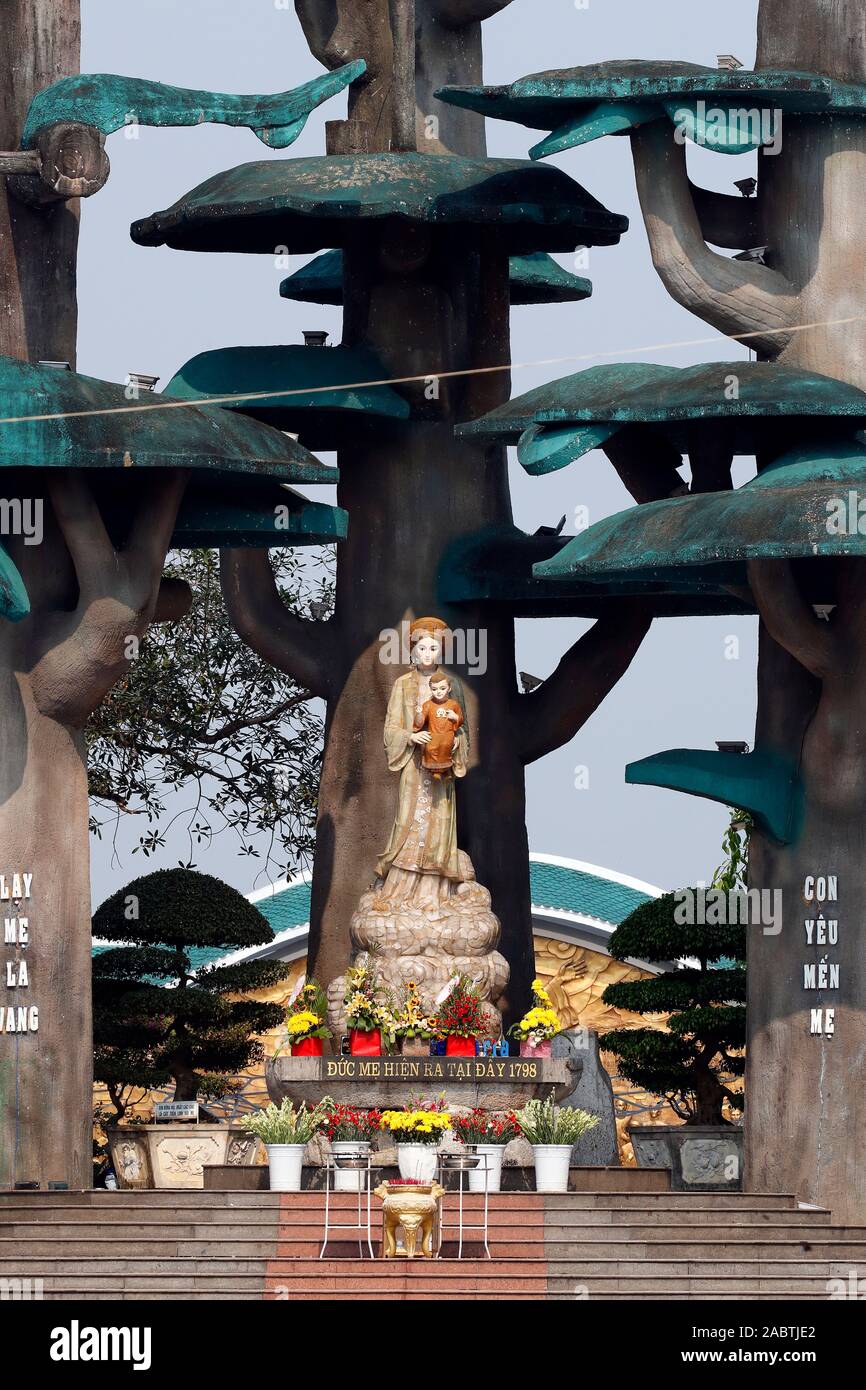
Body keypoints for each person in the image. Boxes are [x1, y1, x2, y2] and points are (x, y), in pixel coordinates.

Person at [375, 616, 468, 903]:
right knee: (407, 817)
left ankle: (437, 889)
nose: (427, 654)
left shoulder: (453, 686)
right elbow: (390, 727)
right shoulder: (403, 685)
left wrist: (455, 743)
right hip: (415, 766)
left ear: (441, 652)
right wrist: (410, 737)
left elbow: (462, 729)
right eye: (422, 649)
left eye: (433, 649)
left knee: (439, 818)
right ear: (413, 652)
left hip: (442, 768)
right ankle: (400, 886)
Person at [413, 669, 463, 777]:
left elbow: (461, 719)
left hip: (447, 734)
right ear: (430, 689)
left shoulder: (453, 704)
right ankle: (435, 772)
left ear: (449, 688)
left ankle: (445, 770)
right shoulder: (428, 704)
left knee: (446, 747)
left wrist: (455, 717)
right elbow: (419, 723)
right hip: (433, 734)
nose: (438, 692)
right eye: (434, 689)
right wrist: (419, 714)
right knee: (431, 749)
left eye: (442, 688)